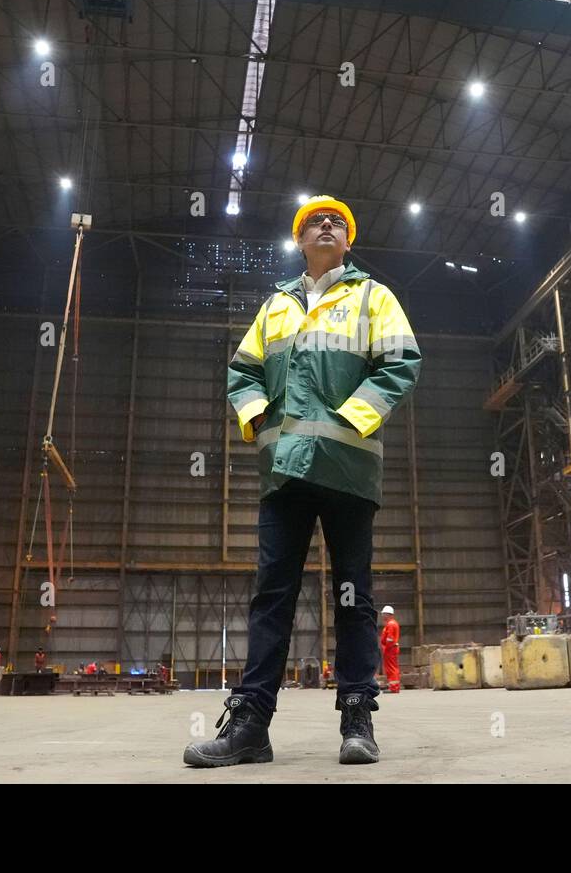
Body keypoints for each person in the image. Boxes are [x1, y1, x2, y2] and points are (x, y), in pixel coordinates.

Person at [184, 195, 421, 769]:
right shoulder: (276, 307)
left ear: (349, 241)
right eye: (316, 220)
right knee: (272, 596)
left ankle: (358, 718)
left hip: (347, 467)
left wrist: (351, 418)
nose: (327, 224)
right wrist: (257, 416)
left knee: (354, 598)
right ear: (299, 239)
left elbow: (402, 362)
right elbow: (241, 371)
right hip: (285, 470)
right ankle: (251, 725)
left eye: (337, 221)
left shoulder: (372, 298)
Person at [379, 605, 401, 694]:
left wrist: (386, 648)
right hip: (390, 649)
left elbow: (390, 639)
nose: (383, 616)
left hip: (390, 649)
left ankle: (394, 687)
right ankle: (392, 685)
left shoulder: (391, 624)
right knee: (390, 668)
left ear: (388, 614)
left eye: (384, 614)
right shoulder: (390, 624)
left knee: (392, 668)